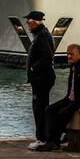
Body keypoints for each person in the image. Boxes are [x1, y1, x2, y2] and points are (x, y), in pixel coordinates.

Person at [24, 10, 56, 151]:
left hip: (41, 78)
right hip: (42, 78)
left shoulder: (41, 36)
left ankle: (41, 138)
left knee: (39, 108)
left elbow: (47, 57)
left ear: (35, 23)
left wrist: (33, 69)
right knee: (41, 107)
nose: (27, 26)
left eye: (29, 23)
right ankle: (43, 136)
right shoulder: (42, 34)